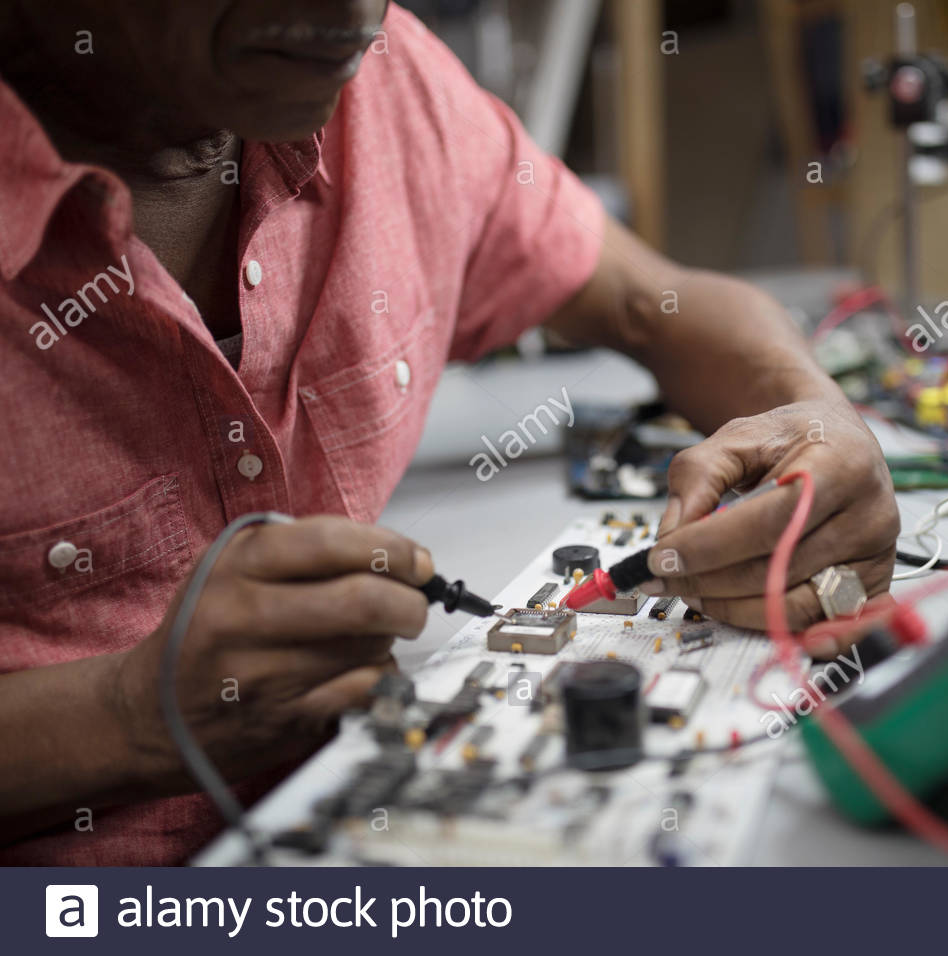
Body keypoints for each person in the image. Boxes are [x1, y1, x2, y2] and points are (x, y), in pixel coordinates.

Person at [0, 0, 899, 864]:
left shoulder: (388, 87)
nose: (355, 10)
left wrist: (812, 411)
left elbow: (651, 303)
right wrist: (123, 718)